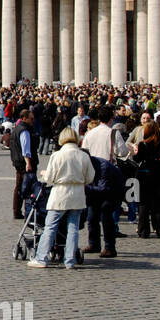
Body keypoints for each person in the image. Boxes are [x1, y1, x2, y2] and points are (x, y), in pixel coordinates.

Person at [27, 127, 94, 269]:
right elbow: (90, 178)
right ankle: (70, 260)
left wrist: (44, 174)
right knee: (73, 228)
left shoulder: (57, 155)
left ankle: (41, 258)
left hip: (60, 194)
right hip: (77, 195)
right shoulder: (83, 156)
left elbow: (50, 178)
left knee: (50, 226)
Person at [133, 121, 160, 239]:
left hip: (144, 175)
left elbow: (137, 158)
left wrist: (135, 152)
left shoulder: (142, 145)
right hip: (159, 174)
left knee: (144, 205)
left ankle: (144, 230)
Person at [9, 110, 35, 219]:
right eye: (31, 119)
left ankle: (16, 211)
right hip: (24, 162)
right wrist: (28, 163)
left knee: (19, 186)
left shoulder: (16, 129)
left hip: (17, 161)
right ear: (24, 118)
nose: (33, 121)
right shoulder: (24, 131)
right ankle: (28, 212)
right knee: (28, 187)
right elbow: (26, 149)